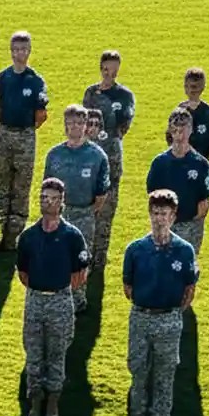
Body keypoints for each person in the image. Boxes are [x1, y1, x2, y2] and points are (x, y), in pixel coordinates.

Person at [121, 190, 199, 416]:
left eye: (164, 214)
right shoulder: (136, 250)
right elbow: (128, 287)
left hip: (169, 319)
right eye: (155, 213)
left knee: (164, 379)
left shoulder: (184, 250)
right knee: (139, 376)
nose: (159, 219)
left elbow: (189, 289)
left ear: (173, 216)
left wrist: (171, 311)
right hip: (141, 317)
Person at [17, 178, 91, 416]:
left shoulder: (72, 236)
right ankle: (35, 406)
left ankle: (52, 407)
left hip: (60, 300)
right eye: (43, 197)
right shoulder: (28, 236)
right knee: (34, 354)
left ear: (62, 202)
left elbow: (79, 275)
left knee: (57, 354)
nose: (47, 202)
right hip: (35, 300)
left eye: (52, 198)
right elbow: (23, 274)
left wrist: (57, 288)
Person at [42, 104, 110, 312]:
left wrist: (87, 211)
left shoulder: (97, 156)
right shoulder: (54, 155)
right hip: (58, 213)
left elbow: (101, 194)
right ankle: (55, 294)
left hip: (84, 213)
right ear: (65, 126)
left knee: (80, 255)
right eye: (70, 123)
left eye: (79, 123)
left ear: (86, 126)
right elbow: (46, 188)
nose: (75, 127)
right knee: (55, 252)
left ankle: (77, 299)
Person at [0, 31, 49, 253]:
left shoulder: (35, 81)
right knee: (2, 181)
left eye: (23, 49)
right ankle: (3, 234)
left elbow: (41, 114)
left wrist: (27, 130)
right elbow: (1, 105)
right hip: (4, 133)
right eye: (15, 50)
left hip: (25, 135)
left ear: (29, 51)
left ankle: (14, 237)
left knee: (21, 185)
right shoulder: (4, 76)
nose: (19, 54)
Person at [83, 50, 135, 265]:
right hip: (88, 157)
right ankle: (83, 253)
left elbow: (123, 127)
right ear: (100, 68)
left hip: (111, 156)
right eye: (106, 69)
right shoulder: (90, 93)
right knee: (86, 205)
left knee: (107, 208)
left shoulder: (124, 95)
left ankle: (99, 258)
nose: (109, 74)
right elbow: (84, 124)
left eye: (114, 70)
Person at [145, 107, 209, 254]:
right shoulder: (160, 163)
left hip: (189, 226)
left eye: (183, 129)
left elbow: (203, 204)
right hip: (164, 225)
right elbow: (153, 198)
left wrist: (188, 227)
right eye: (175, 129)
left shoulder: (200, 164)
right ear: (170, 131)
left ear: (191, 129)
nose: (179, 134)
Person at [179, 67, 209, 163]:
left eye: (195, 87)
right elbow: (170, 137)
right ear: (185, 87)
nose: (192, 90)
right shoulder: (180, 111)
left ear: (202, 88)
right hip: (181, 164)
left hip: (202, 163)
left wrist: (207, 165)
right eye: (189, 86)